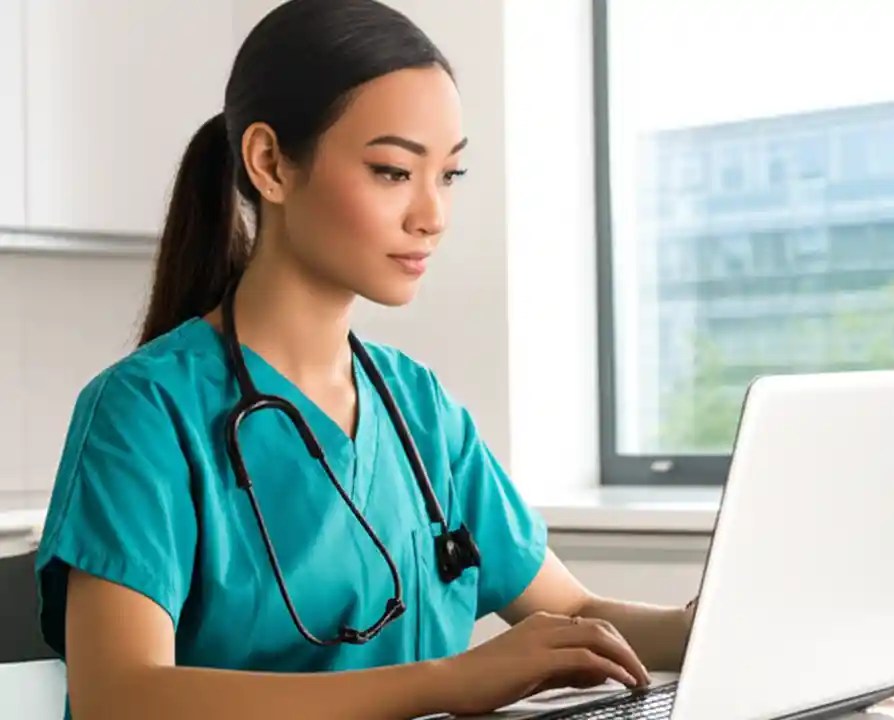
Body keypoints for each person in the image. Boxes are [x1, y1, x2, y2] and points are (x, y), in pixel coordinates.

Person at [32, 1, 694, 718]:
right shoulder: (143, 412)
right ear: (270, 164)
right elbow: (118, 696)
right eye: (392, 171)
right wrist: (450, 680)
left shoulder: (419, 408)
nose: (431, 215)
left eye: (449, 175)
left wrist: (711, 622)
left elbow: (576, 613)